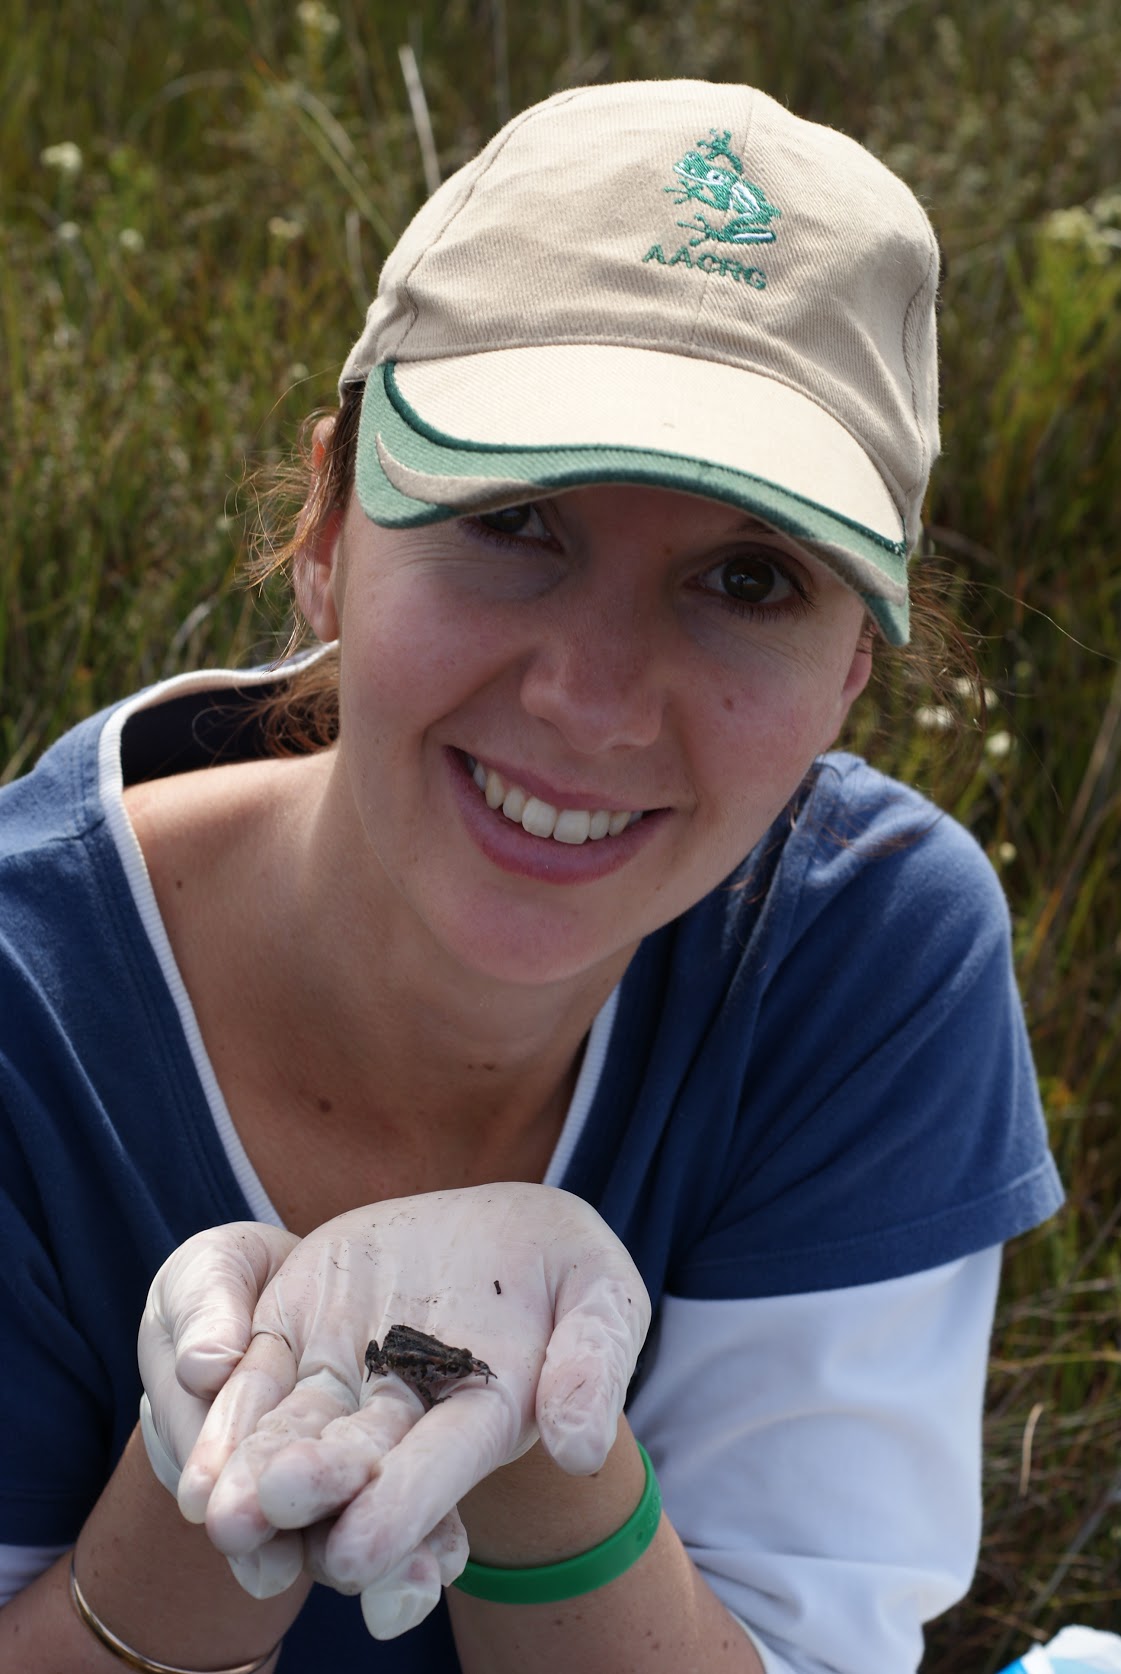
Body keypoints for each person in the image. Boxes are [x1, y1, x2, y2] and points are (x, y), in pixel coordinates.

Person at [0, 78, 1063, 1674]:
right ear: (330, 526)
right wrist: (201, 1483)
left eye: (747, 579)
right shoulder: (27, 1010)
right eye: (516, 519)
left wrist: (548, 1471)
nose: (594, 700)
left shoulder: (863, 951)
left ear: (853, 668)